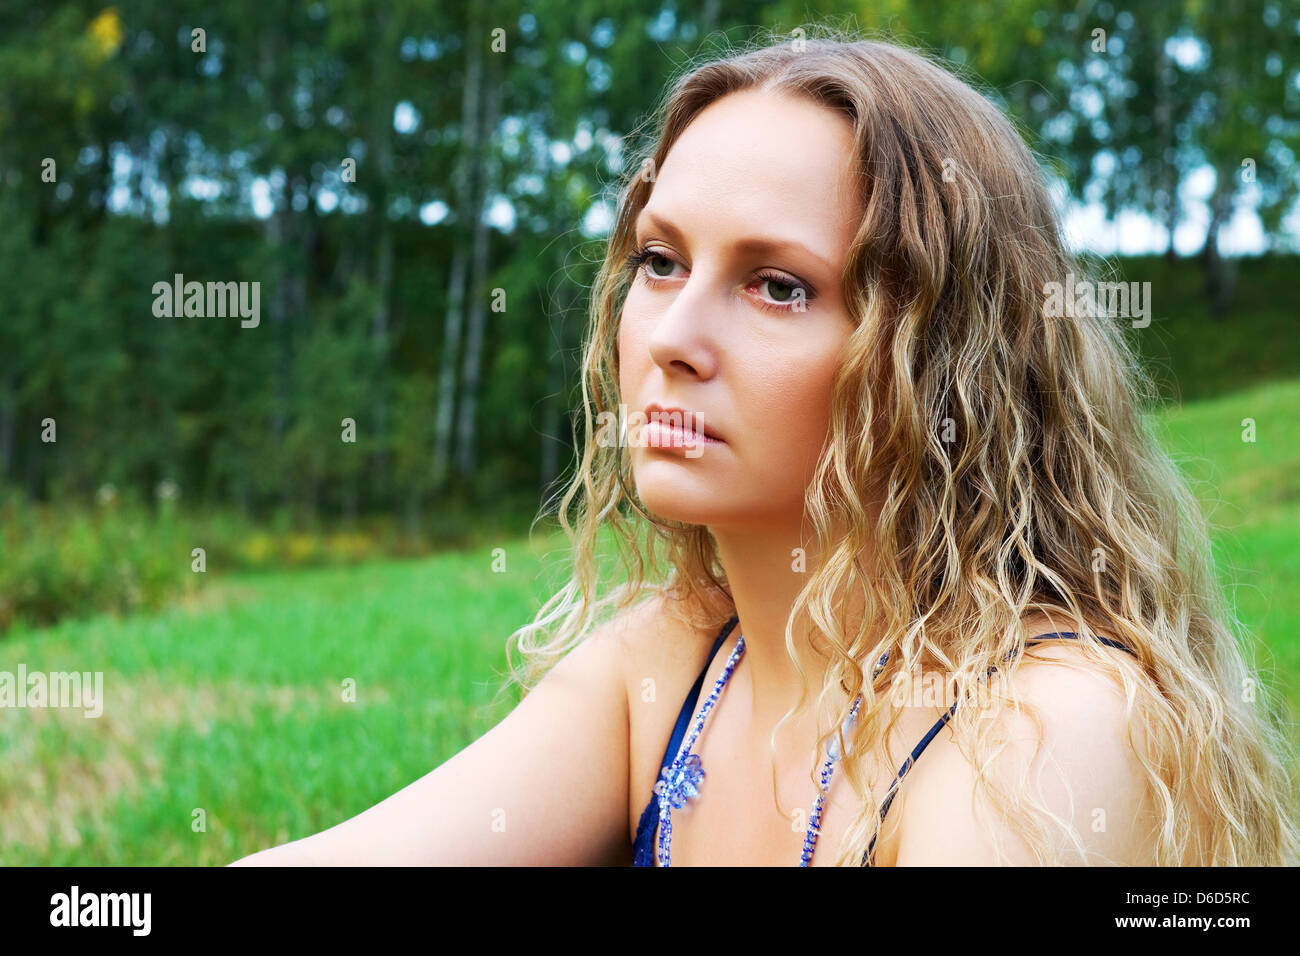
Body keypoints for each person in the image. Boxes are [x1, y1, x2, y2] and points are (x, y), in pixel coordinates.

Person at [230, 29, 1299, 867]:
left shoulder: (1042, 721)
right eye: (658, 260)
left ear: (940, 358)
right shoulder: (680, 660)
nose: (673, 340)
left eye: (776, 284)